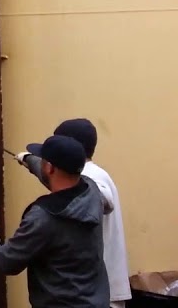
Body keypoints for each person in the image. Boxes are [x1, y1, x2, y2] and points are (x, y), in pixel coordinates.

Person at [15, 118, 130, 307]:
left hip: (98, 293)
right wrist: (28, 160)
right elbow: (57, 179)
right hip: (99, 292)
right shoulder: (89, 175)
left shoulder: (91, 179)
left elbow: (101, 196)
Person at [0, 134, 109, 307]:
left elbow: (6, 262)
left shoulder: (44, 218)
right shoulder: (92, 192)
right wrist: (29, 160)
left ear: (50, 168)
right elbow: (56, 177)